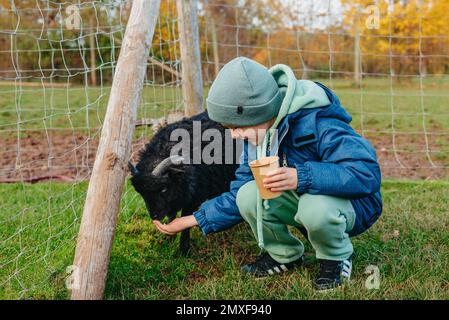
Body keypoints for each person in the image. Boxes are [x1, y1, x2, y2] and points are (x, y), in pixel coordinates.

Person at [153, 57, 382, 291]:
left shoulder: (320, 123)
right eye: (229, 129)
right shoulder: (258, 136)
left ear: (258, 112)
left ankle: (335, 258)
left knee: (315, 207)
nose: (234, 136)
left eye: (237, 127)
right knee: (248, 194)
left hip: (354, 205)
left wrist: (301, 176)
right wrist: (193, 219)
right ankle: (284, 254)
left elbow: (366, 173)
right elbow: (237, 197)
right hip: (305, 200)